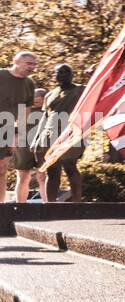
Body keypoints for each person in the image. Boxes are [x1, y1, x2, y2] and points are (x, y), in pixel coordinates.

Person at [36, 64, 85, 203]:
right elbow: (45, 117)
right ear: (55, 75)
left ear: (72, 74)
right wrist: (37, 138)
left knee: (70, 167)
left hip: (71, 134)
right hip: (50, 136)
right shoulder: (50, 94)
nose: (63, 75)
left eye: (67, 72)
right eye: (60, 72)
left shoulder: (81, 90)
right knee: (52, 171)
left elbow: (96, 93)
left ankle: (77, 204)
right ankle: (50, 205)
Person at [0, 51, 37, 203]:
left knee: (2, 169)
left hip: (8, 129)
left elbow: (25, 112)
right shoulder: (1, 76)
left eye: (34, 64)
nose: (32, 67)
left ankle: (1, 207)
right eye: (29, 63)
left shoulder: (29, 84)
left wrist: (18, 134)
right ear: (15, 60)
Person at [14, 86, 45, 202]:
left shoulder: (49, 110)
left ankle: (47, 206)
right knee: (23, 177)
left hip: (42, 146)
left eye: (40, 97)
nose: (35, 99)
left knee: (42, 176)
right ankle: (20, 208)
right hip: (23, 146)